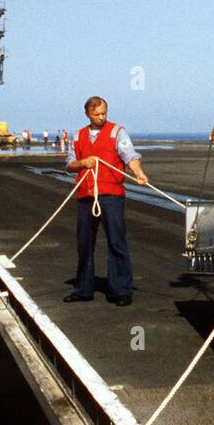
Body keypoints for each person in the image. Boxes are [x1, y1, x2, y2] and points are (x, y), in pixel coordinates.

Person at [65, 96, 148, 307]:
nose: (101, 117)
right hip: (86, 196)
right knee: (84, 244)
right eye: (97, 114)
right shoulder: (78, 136)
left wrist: (139, 173)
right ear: (88, 115)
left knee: (116, 242)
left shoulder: (116, 132)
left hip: (111, 195)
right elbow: (69, 165)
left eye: (104, 113)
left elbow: (131, 156)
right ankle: (83, 289)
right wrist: (83, 162)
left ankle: (120, 290)